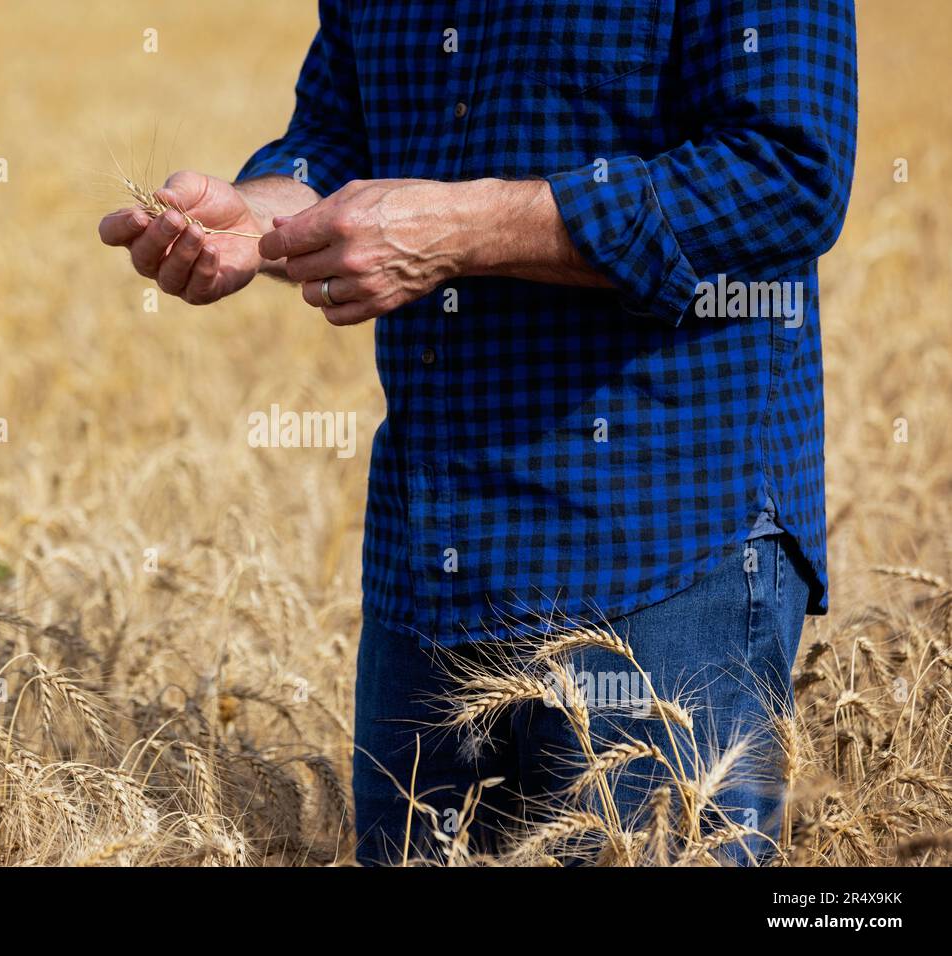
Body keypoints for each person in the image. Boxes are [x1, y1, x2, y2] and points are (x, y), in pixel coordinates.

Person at [99, 0, 858, 865]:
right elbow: (336, 135)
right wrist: (261, 217)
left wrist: (462, 229)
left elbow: (787, 173)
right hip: (430, 563)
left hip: (668, 549)